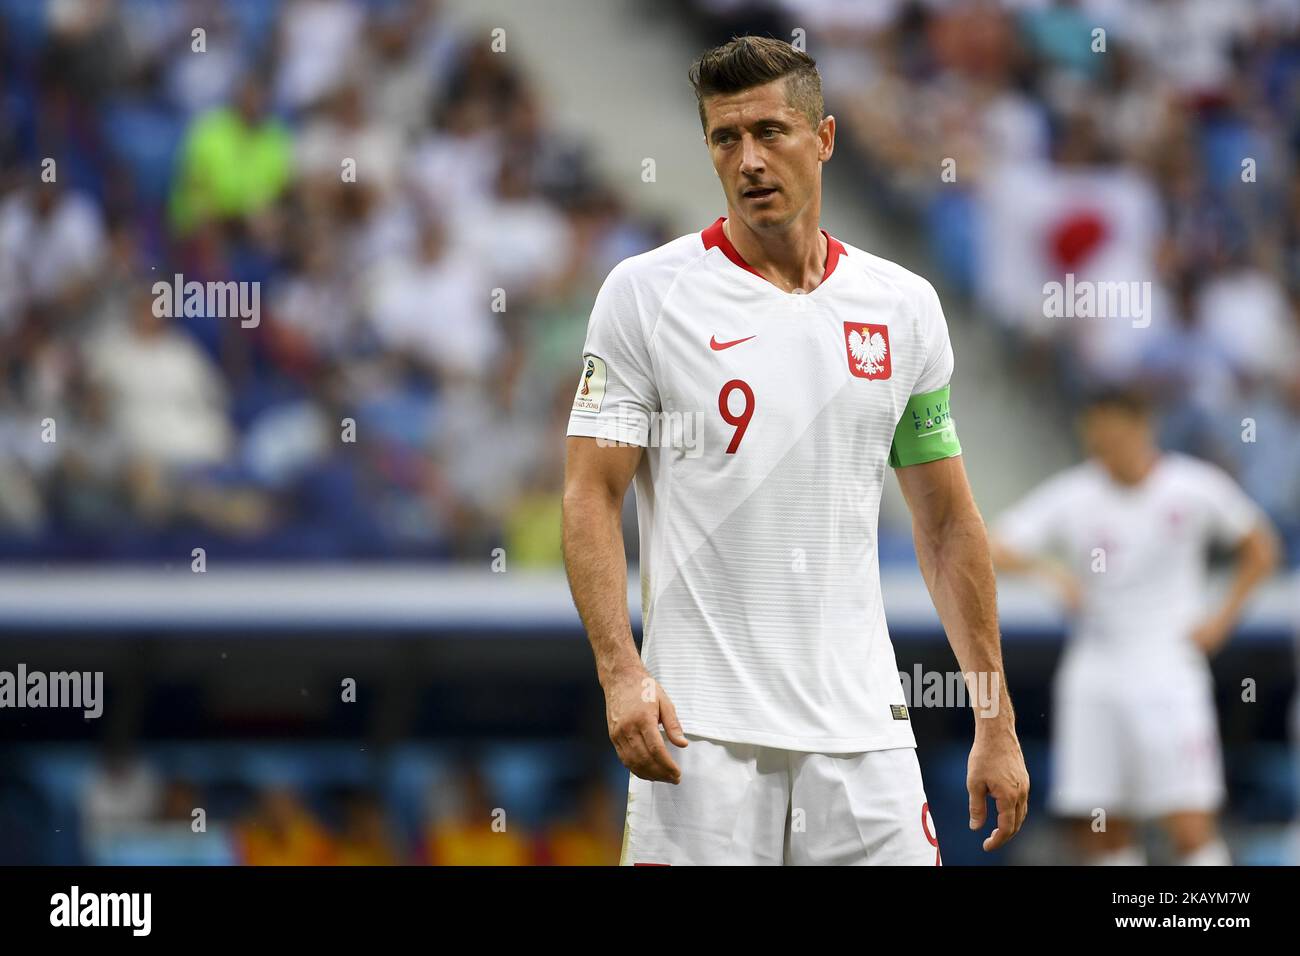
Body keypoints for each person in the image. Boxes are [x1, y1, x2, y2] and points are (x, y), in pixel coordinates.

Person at [561, 36, 1028, 865]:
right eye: (724, 138)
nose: (748, 160)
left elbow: (949, 525)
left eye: (770, 132)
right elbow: (590, 493)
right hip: (696, 729)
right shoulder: (644, 295)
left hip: (864, 734)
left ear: (825, 139)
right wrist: (620, 671)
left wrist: (994, 717)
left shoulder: (904, 307)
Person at [991, 388, 1279, 865]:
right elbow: (996, 542)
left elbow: (1260, 546)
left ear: (1143, 428)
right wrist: (1052, 576)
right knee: (1102, 824)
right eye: (1096, 438)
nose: (1105, 448)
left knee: (1188, 821)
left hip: (1169, 669)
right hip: (1096, 670)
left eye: (1114, 435)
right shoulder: (1075, 493)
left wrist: (1221, 621)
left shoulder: (1192, 487)